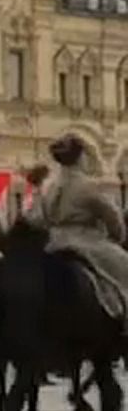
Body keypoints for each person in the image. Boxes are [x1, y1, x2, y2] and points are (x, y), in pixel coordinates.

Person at [39, 134, 128, 331]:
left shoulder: (48, 187)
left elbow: (43, 217)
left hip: (53, 244)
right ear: (81, 158)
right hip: (86, 242)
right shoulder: (89, 185)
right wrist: (117, 237)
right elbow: (113, 218)